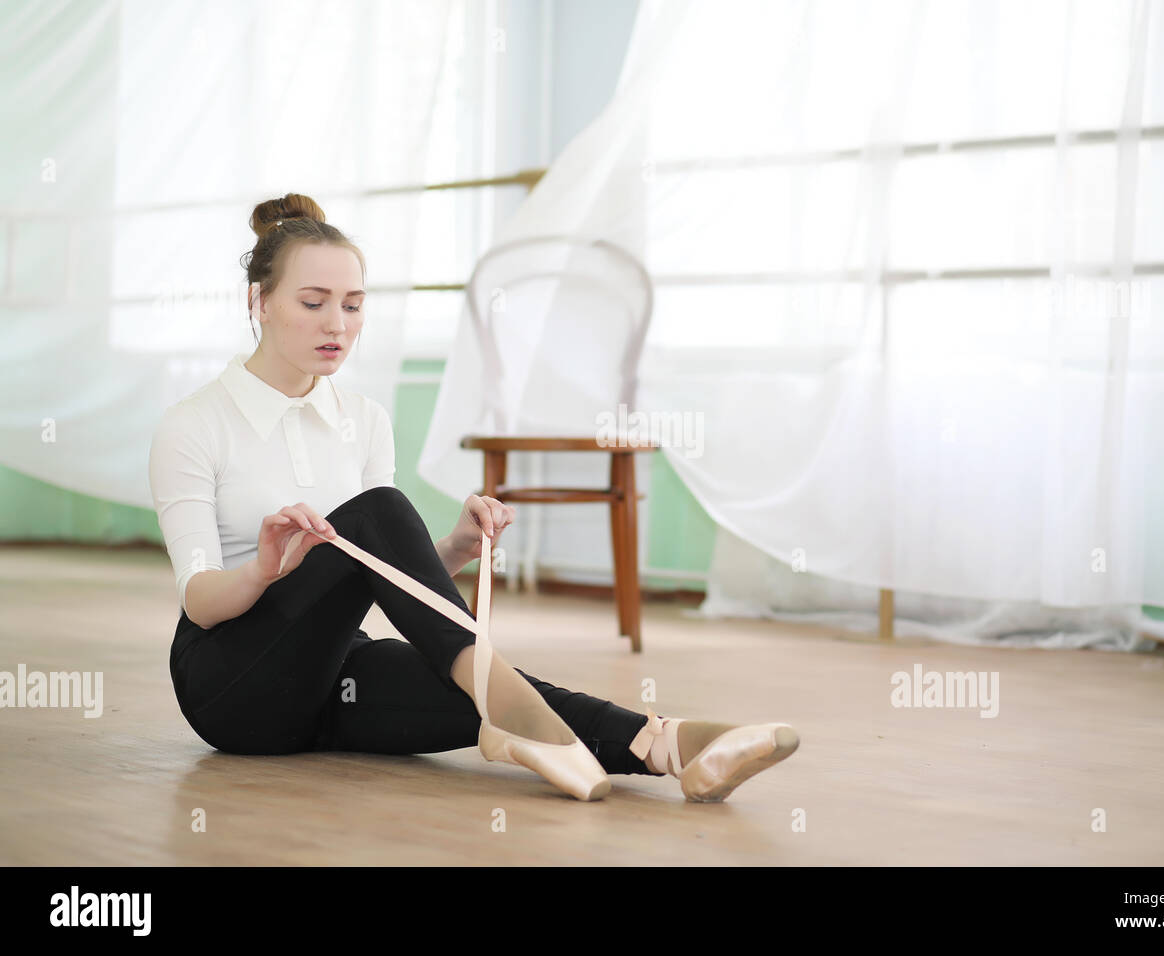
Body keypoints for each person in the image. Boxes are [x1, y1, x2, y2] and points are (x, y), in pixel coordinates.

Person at [148, 192, 798, 802]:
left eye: (353, 304)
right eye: (313, 302)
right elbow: (201, 604)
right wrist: (265, 569)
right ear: (259, 302)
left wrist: (456, 546)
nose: (338, 325)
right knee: (382, 516)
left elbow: (379, 576)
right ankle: (498, 689)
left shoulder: (364, 419)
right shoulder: (194, 424)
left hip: (332, 679)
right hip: (235, 687)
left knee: (484, 687)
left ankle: (669, 746)